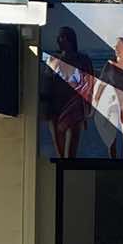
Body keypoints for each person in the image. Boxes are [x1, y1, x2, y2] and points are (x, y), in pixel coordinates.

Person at [45, 26, 92, 158]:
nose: (59, 40)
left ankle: (68, 171)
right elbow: (47, 82)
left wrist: (88, 107)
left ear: (70, 39)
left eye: (63, 37)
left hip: (75, 104)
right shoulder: (54, 59)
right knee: (60, 152)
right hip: (55, 105)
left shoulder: (83, 59)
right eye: (59, 37)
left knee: (71, 151)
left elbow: (89, 83)